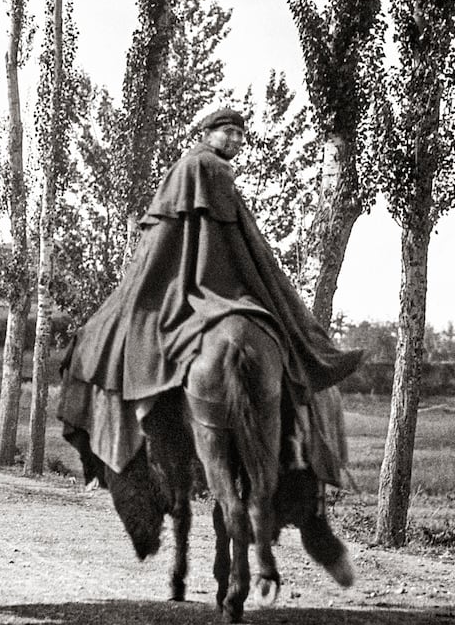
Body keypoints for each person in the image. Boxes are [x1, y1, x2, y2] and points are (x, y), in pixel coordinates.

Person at [58, 102, 360, 482]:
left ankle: (129, 451)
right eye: (227, 132)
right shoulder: (204, 167)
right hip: (195, 276)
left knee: (100, 338)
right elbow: (205, 240)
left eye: (240, 135)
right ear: (207, 133)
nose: (235, 140)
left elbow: (224, 238)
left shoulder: (200, 168)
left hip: (197, 277)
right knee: (288, 325)